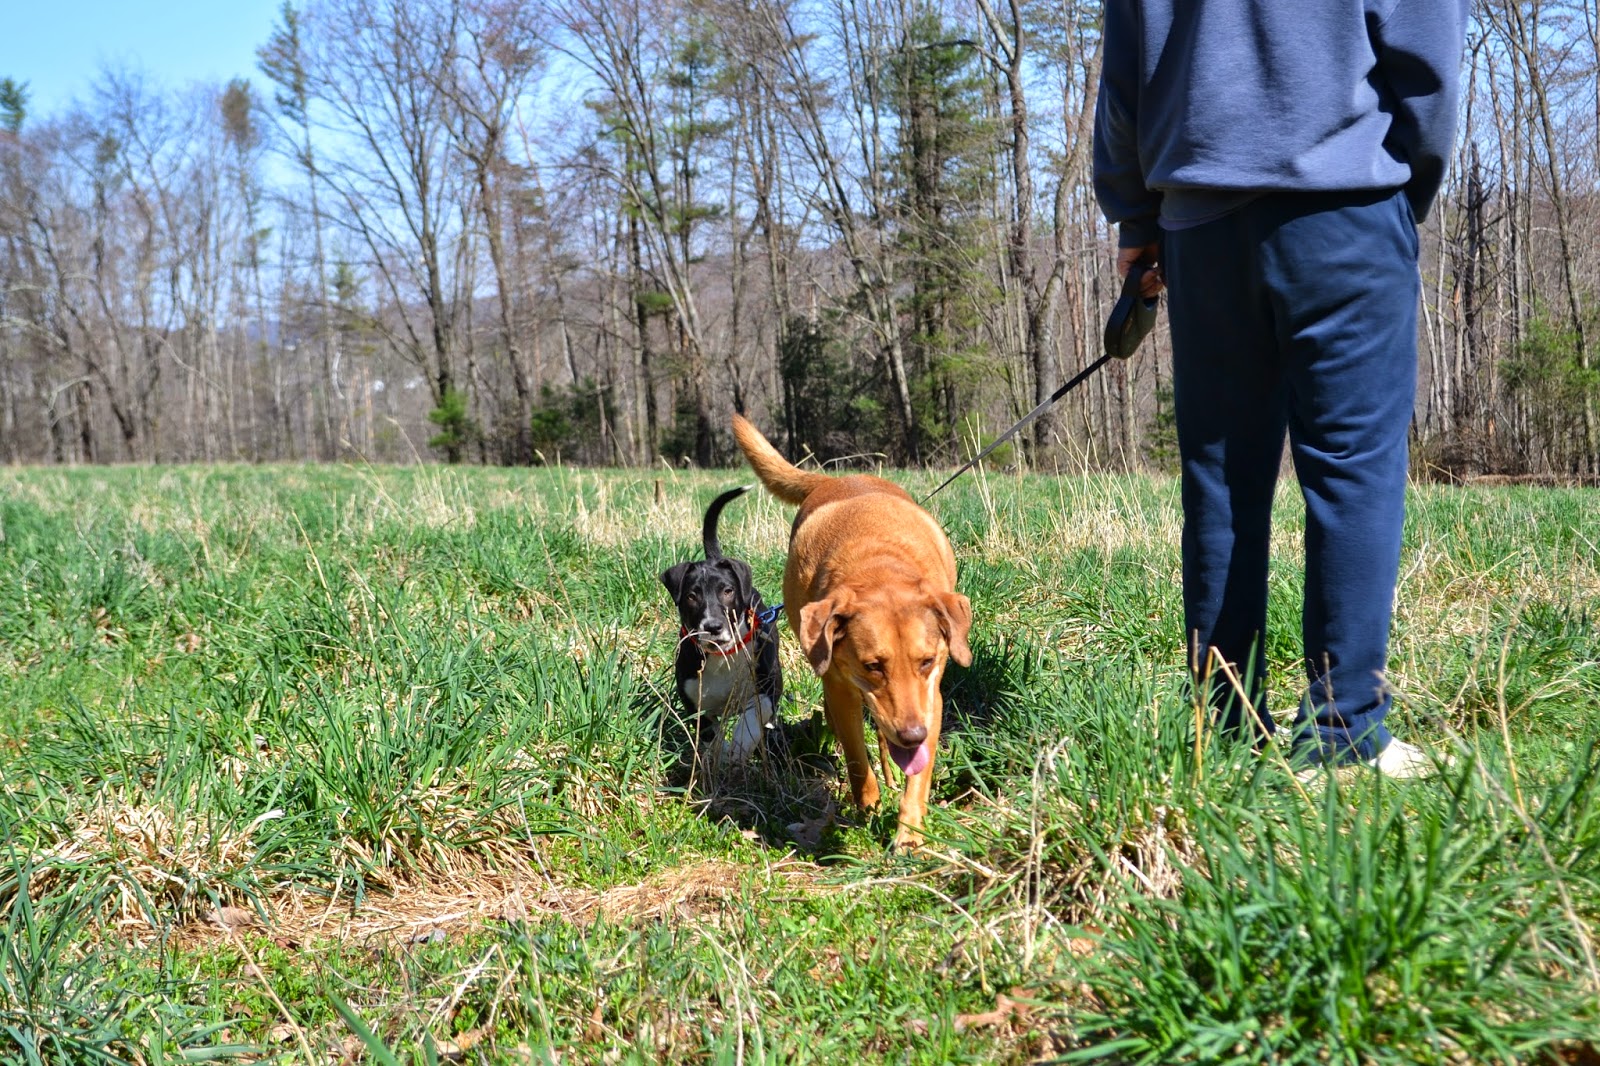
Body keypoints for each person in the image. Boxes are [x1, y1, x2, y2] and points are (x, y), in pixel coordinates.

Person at [1093, 0, 1468, 773]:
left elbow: (1127, 71)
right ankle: (1342, 733)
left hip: (1200, 217)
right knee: (1353, 471)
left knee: (1223, 482)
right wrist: (1398, 192)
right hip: (1347, 202)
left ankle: (1225, 729)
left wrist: (1136, 217)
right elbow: (1427, 65)